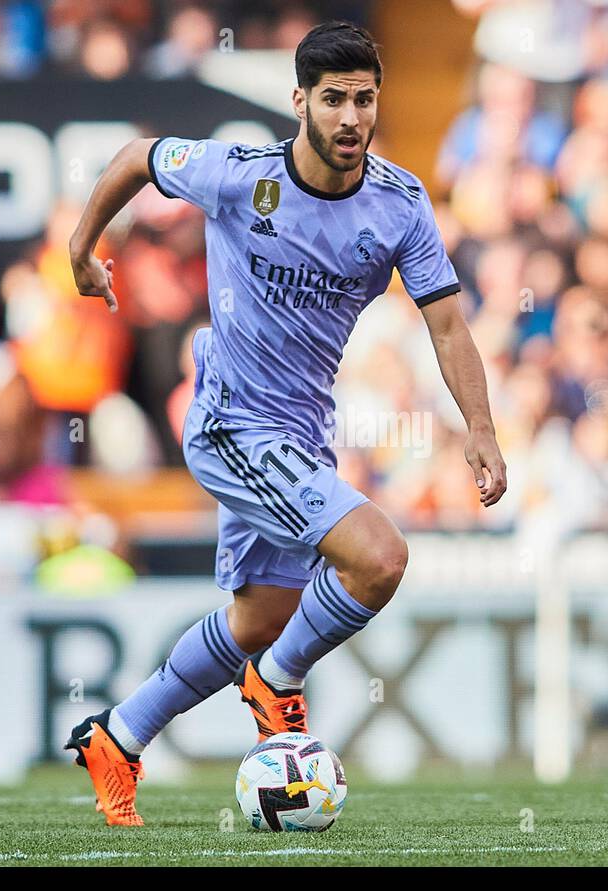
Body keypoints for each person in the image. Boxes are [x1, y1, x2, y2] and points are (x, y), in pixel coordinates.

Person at [63, 20, 507, 826]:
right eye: (333, 98)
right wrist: (81, 250)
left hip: (301, 436)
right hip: (231, 424)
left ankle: (117, 736)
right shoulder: (240, 176)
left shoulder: (401, 203)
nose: (350, 118)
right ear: (300, 101)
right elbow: (136, 159)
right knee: (378, 558)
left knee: (262, 616)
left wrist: (480, 426)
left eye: (365, 100)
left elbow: (446, 324)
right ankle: (277, 682)